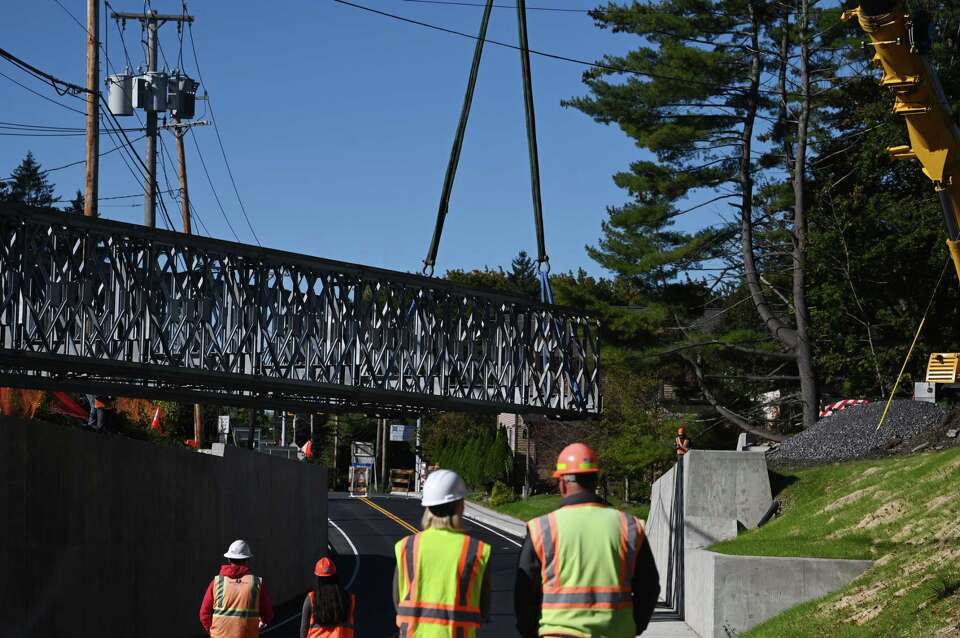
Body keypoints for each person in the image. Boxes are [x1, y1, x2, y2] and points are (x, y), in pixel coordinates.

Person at [514, 443, 660, 638]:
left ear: (563, 483)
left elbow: (524, 594)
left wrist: (530, 632)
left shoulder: (543, 528)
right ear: (595, 480)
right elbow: (649, 587)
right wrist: (633, 626)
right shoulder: (629, 526)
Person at [393, 469, 492, 638]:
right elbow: (483, 608)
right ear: (460, 506)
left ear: (428, 506)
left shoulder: (406, 546)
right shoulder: (476, 550)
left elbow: (398, 600)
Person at [199, 539, 274, 637]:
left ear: (229, 559)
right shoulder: (256, 583)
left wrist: (213, 632)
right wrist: (261, 623)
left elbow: (204, 614)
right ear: (247, 560)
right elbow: (268, 613)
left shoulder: (216, 583)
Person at [300, 557, 356, 638]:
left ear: (317, 579)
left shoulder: (311, 599)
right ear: (335, 578)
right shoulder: (349, 598)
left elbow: (304, 630)